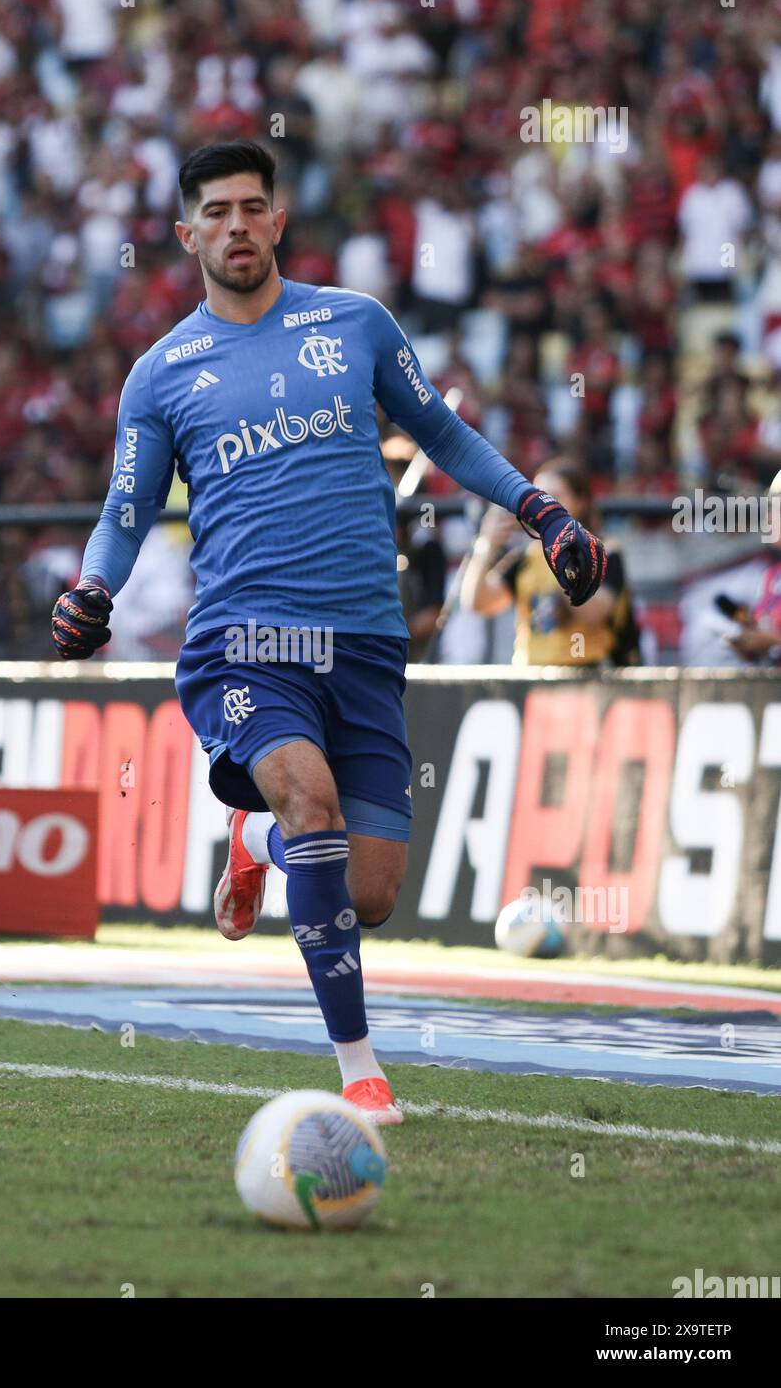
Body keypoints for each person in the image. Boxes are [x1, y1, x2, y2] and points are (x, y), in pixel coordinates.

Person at [51, 141, 606, 1125]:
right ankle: (360, 1070)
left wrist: (539, 511)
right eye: (213, 211)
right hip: (241, 645)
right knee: (312, 797)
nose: (234, 225)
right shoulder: (160, 372)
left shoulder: (354, 323)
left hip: (361, 643)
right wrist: (94, 585)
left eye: (250, 207)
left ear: (276, 220)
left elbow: (437, 433)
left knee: (371, 892)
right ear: (186, 236)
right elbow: (126, 510)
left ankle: (257, 837)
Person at [461, 462, 635, 667]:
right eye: (539, 498)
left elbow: (593, 613)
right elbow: (478, 603)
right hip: (532, 675)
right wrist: (487, 544)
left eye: (555, 498)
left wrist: (563, 554)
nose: (544, 508)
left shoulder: (604, 552)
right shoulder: (527, 556)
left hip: (585, 673)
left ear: (580, 502)